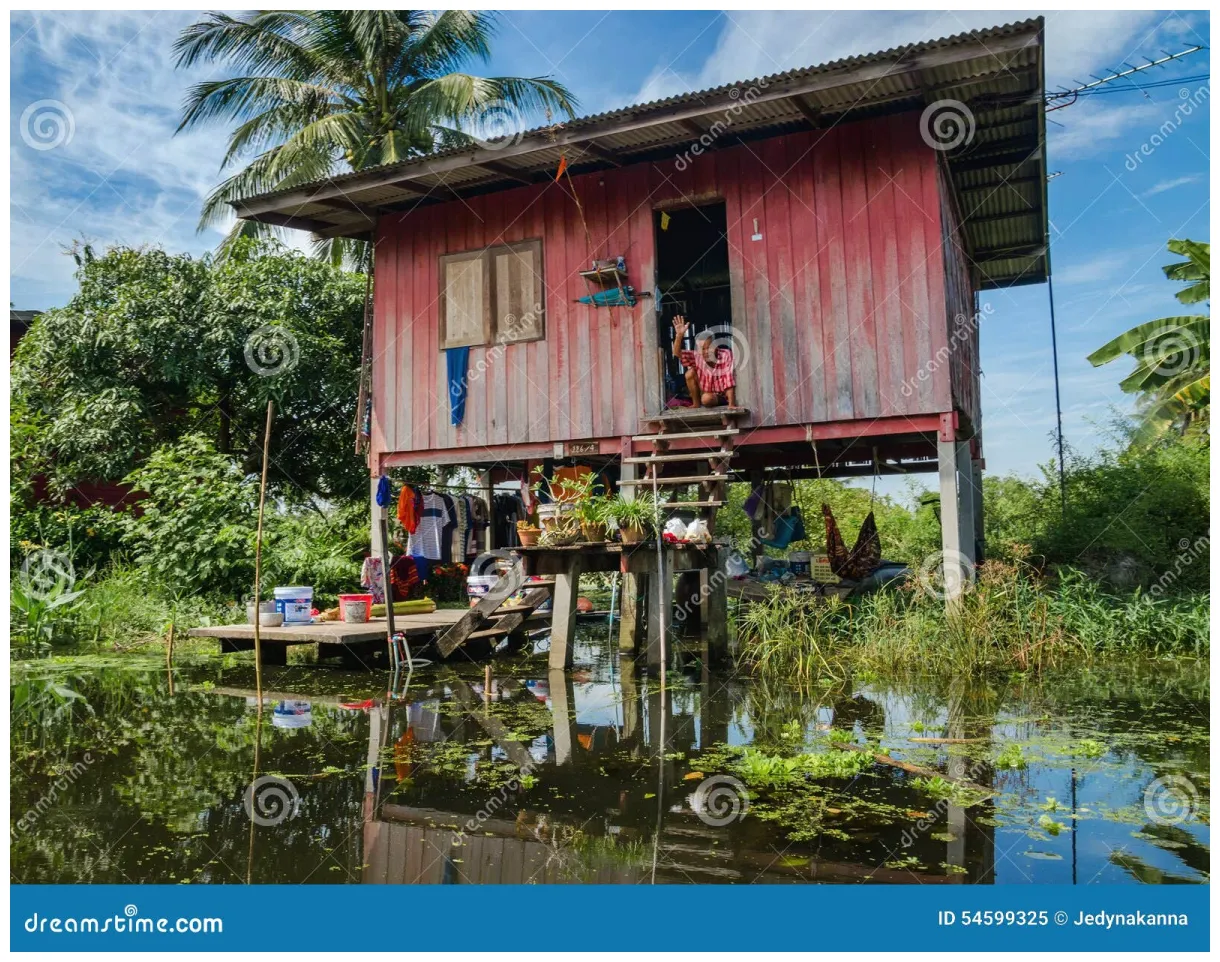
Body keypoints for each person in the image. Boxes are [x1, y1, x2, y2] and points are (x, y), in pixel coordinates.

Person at [672, 315, 736, 408]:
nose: (706, 352)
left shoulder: (725, 355)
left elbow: (728, 380)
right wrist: (679, 336)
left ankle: (715, 401)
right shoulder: (698, 356)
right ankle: (696, 404)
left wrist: (731, 405)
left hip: (723, 395)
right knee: (689, 374)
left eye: (709, 347)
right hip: (707, 391)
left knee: (706, 399)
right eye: (702, 349)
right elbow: (677, 353)